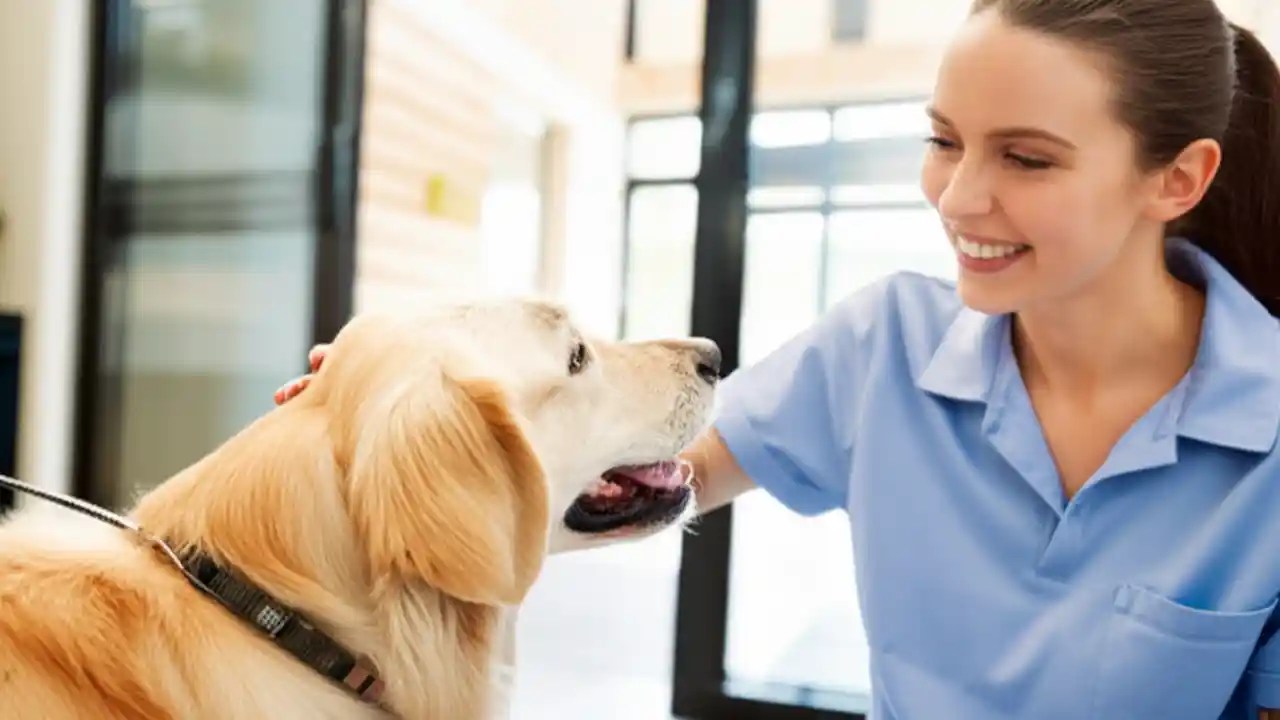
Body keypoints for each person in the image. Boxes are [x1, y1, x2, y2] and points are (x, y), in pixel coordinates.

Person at [277, 1, 1280, 717]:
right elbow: (643, 470)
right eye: (943, 140)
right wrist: (414, 421)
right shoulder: (883, 346)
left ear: (1177, 178)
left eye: (1024, 158)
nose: (957, 196)